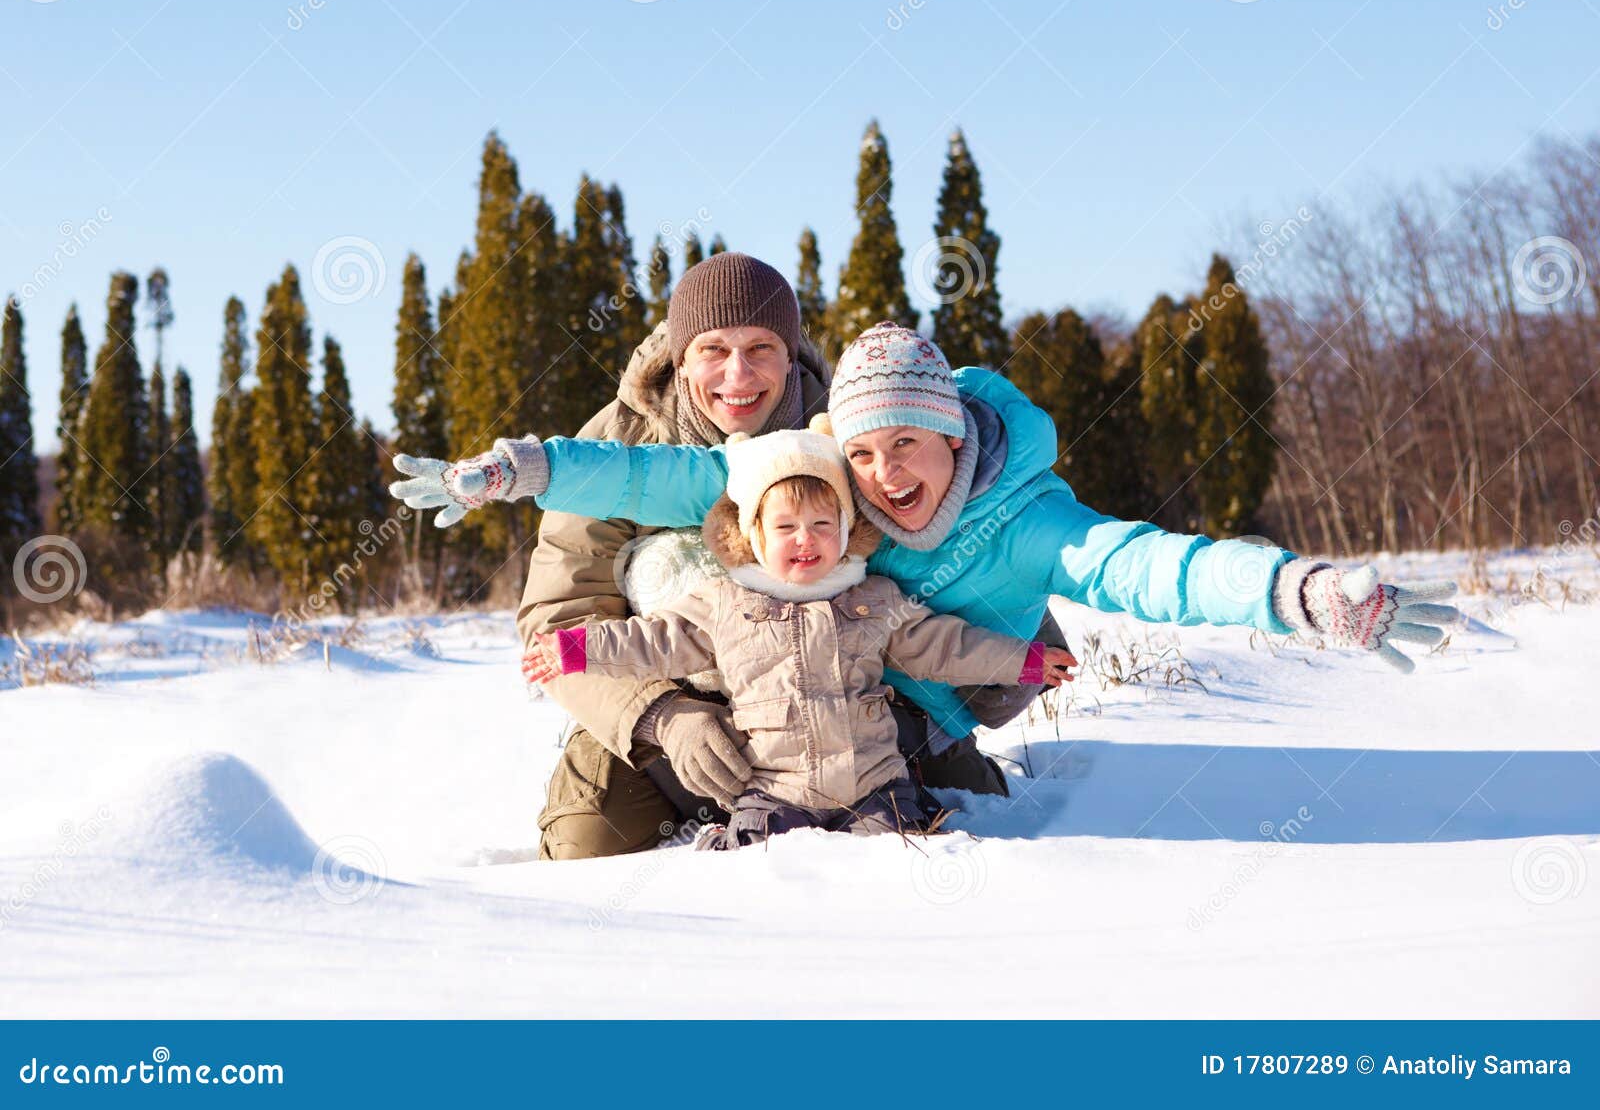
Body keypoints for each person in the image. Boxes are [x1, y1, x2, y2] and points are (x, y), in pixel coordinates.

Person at [396, 320, 1459, 750]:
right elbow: (662, 475)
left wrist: (1293, 592)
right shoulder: (827, 482)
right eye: (864, 454)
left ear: (955, 437)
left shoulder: (1036, 519)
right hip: (803, 705)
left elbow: (1151, 565)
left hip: (922, 726)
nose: (886, 476)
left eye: (909, 445)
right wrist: (525, 467)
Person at [392, 262, 1041, 858]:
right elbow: (558, 622)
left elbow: (937, 537)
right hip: (667, 707)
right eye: (714, 351)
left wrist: (1020, 624)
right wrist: (658, 715)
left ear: (790, 356)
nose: (739, 376)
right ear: (680, 360)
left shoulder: (847, 433)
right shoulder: (616, 450)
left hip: (839, 696)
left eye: (761, 349)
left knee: (967, 819)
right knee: (585, 848)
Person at [520, 418, 1076, 849]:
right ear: (752, 533)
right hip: (770, 795)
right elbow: (651, 641)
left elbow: (947, 647)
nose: (804, 540)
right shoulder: (724, 604)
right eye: (785, 527)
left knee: (897, 867)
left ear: (845, 529)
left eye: (821, 525)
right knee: (764, 879)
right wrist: (572, 649)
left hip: (876, 790)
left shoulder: (873, 599)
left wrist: (1025, 662)